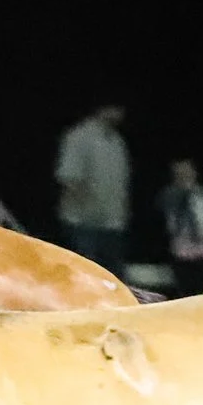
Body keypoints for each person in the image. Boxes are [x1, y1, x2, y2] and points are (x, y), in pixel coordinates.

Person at [55, 102, 131, 277]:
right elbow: (69, 180)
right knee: (85, 278)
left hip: (112, 224)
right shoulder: (79, 136)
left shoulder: (117, 141)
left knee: (114, 279)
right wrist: (83, 212)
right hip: (84, 225)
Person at [161, 159, 203, 298]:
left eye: (187, 170)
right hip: (180, 254)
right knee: (185, 294)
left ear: (194, 172)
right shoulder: (169, 196)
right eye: (179, 171)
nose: (183, 174)